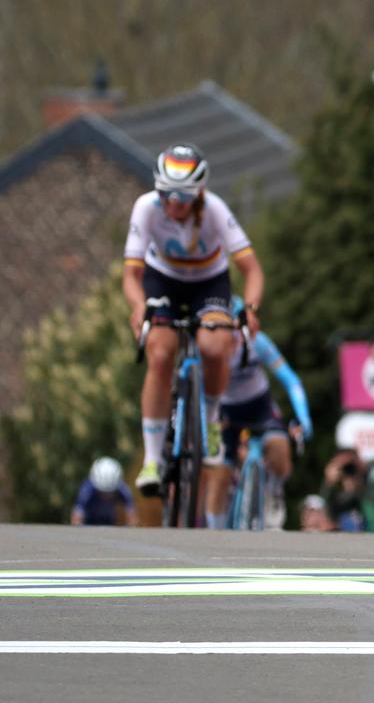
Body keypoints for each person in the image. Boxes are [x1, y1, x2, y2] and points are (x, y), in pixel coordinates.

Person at [122, 143, 264, 498]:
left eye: (183, 196)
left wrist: (249, 309)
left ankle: (212, 417)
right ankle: (153, 459)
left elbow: (252, 270)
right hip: (162, 278)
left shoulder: (215, 210)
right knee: (159, 351)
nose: (174, 203)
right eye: (166, 193)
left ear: (199, 192)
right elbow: (131, 274)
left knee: (215, 344)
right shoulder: (145, 208)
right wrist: (139, 307)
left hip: (208, 282)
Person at [205, 297, 314, 530]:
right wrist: (209, 431)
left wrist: (304, 418)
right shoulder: (213, 348)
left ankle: (274, 493)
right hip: (225, 411)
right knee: (219, 474)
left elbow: (291, 380)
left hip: (260, 406)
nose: (234, 337)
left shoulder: (258, 342)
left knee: (278, 445)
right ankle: (214, 532)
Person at [72, 457, 137, 527]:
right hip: (89, 525)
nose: (106, 497)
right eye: (102, 492)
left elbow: (132, 517)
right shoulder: (86, 490)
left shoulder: (123, 490)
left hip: (111, 525)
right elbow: (76, 518)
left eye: (110, 493)